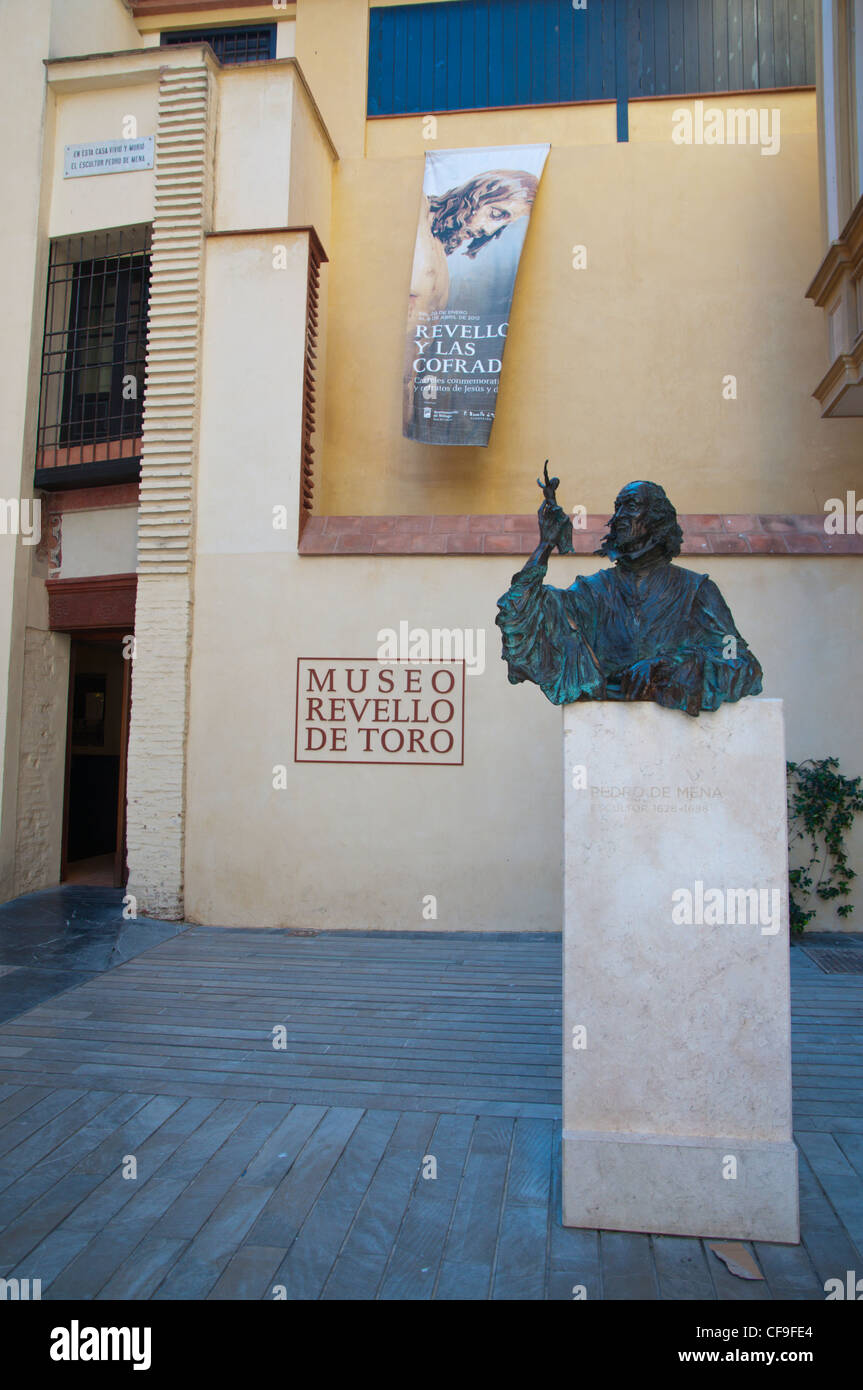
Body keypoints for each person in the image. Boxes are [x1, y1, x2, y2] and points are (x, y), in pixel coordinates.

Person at [495, 479, 763, 717]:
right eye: (617, 507)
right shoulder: (593, 592)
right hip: (605, 727)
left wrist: (669, 665)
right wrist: (545, 545)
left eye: (631, 506)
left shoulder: (696, 589)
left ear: (657, 519)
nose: (619, 516)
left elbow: (737, 657)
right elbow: (519, 613)